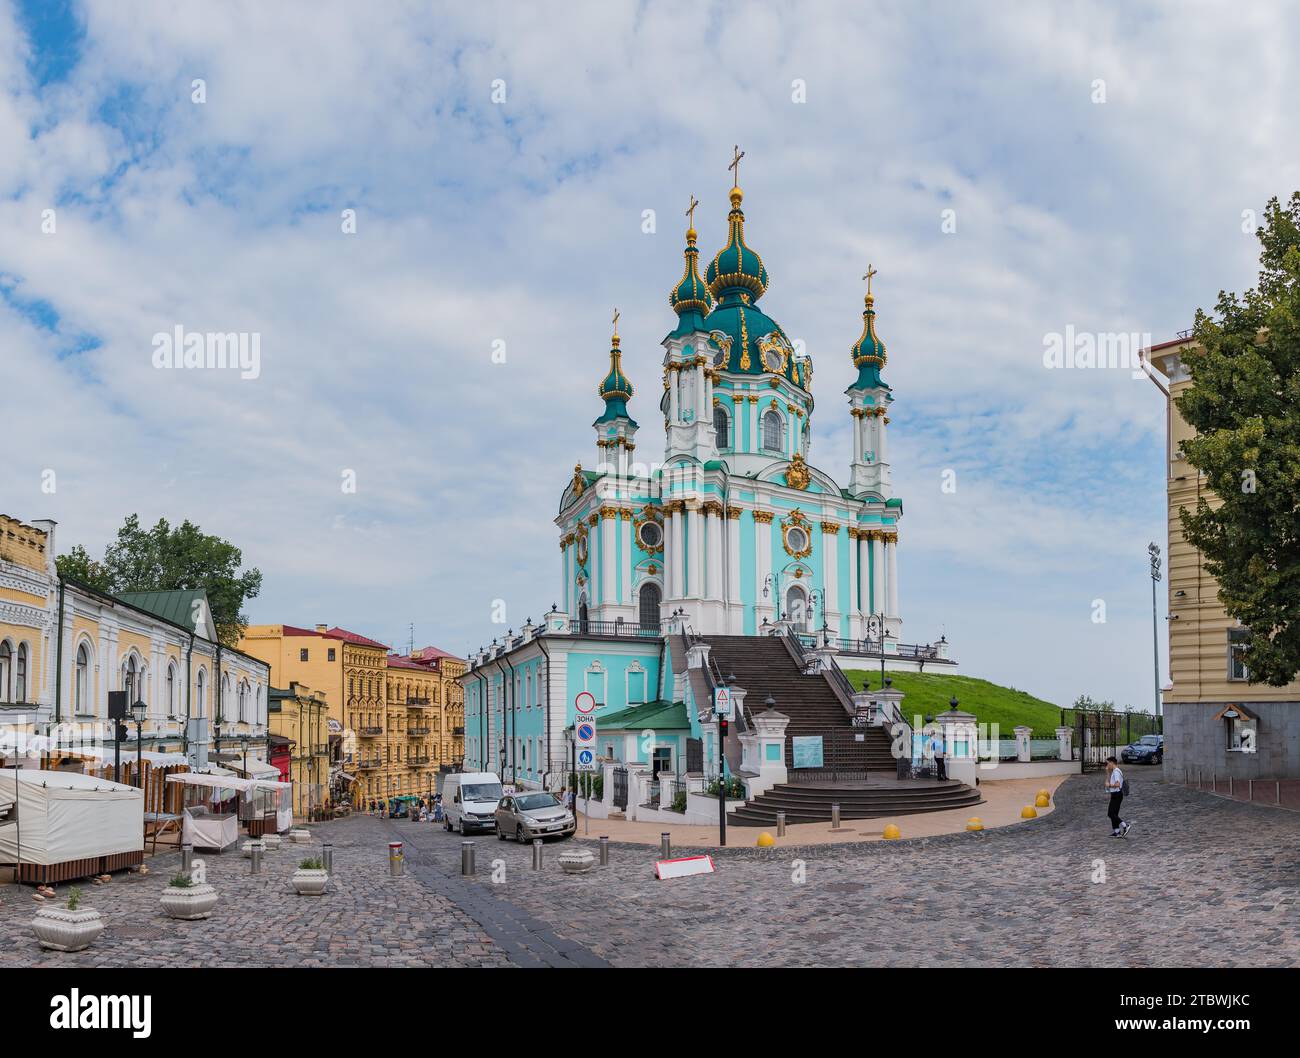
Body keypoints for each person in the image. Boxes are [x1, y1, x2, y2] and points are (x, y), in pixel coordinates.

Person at [1104, 756, 1131, 837]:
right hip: (1115, 794)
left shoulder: (1116, 772)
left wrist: (1109, 785)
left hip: (1117, 794)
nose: (1107, 765)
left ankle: (1125, 825)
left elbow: (1118, 784)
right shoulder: (1114, 771)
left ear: (1112, 763)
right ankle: (1117, 832)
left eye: (1108, 763)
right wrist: (1108, 772)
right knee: (1114, 814)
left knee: (1111, 813)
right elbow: (1108, 781)